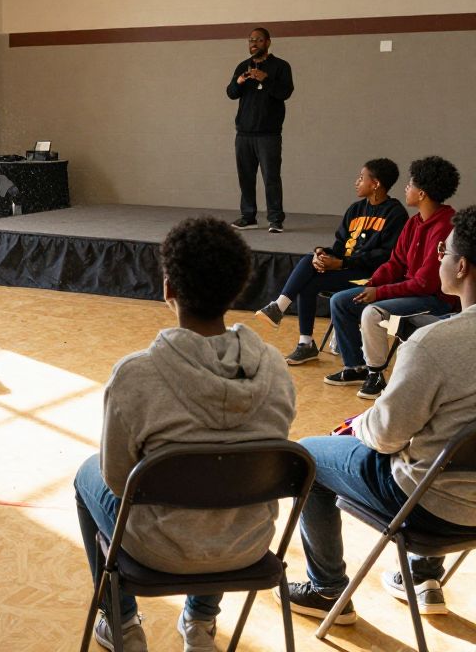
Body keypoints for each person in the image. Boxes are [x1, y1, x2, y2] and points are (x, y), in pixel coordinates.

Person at [74, 216, 296, 652]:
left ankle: (121, 622)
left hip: (158, 550)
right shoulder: (275, 368)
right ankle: (200, 621)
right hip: (248, 543)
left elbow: (119, 481)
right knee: (225, 475)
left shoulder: (136, 375)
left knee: (87, 475)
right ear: (238, 288)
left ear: (167, 287)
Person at [284, 205, 476, 625]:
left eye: (443, 251)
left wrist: (360, 425)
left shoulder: (433, 343)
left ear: (461, 267)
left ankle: (326, 588)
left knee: (308, 457)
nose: (439, 257)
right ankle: (424, 577)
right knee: (442, 440)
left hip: (429, 509)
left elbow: (386, 437)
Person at [324, 156, 460, 399]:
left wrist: (380, 293)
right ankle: (355, 366)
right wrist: (372, 284)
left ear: (422, 194)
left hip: (433, 300)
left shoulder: (445, 226)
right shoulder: (414, 223)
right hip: (410, 292)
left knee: (372, 312)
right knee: (341, 301)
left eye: (411, 185)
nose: (406, 188)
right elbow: (395, 263)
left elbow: (425, 284)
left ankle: (375, 375)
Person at [256, 158, 408, 364]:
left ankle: (280, 309)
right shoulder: (355, 210)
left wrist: (342, 264)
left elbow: (385, 256)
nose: (356, 182)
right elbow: (339, 246)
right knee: (310, 265)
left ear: (376, 184)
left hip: (370, 277)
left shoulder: (395, 213)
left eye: (361, 178)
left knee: (308, 275)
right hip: (346, 269)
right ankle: (305, 343)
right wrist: (323, 254)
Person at [226, 27, 294, 233]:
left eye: (258, 40)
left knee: (271, 177)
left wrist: (265, 78)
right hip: (244, 133)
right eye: (250, 41)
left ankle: (275, 219)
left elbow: (285, 92)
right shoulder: (242, 66)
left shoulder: (281, 66)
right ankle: (248, 217)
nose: (253, 44)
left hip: (268, 134)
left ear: (268, 42)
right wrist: (238, 82)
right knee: (245, 177)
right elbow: (230, 93)